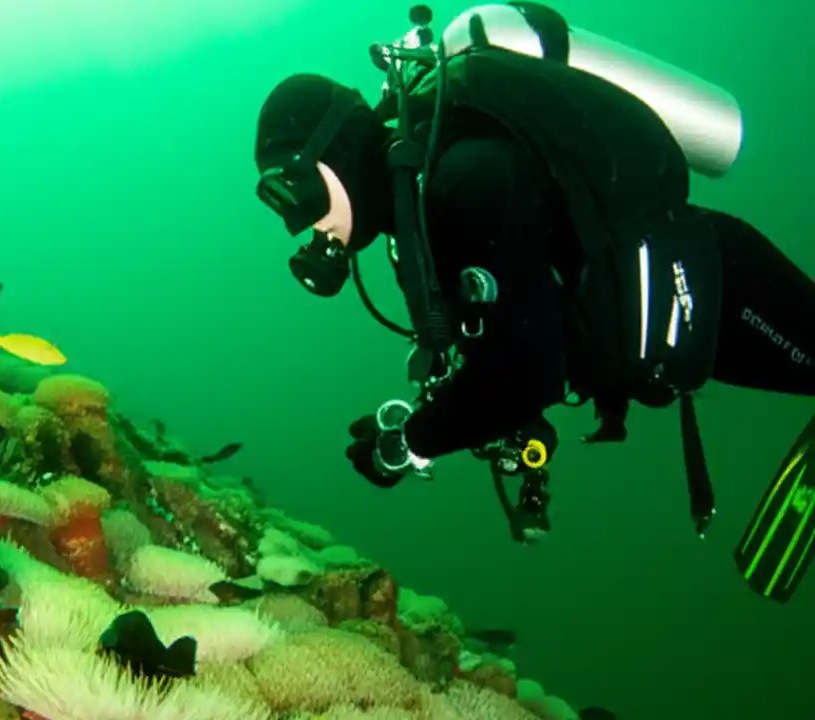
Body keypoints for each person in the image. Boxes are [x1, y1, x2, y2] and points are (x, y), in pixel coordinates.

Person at [251, 3, 815, 602]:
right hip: (689, 299)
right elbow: (505, 335)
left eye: (292, 190)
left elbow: (525, 373)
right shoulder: (420, 205)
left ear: (330, 154)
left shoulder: (460, 181)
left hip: (717, 283)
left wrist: (410, 443)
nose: (301, 224)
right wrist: (428, 419)